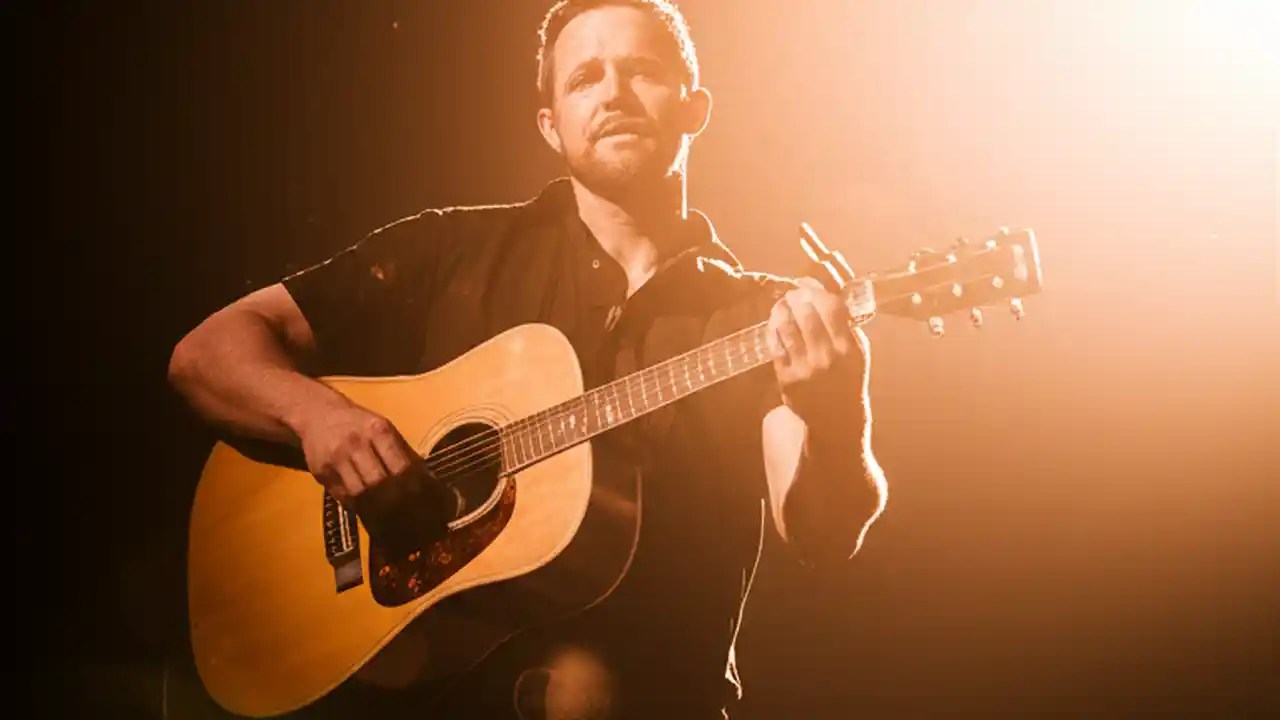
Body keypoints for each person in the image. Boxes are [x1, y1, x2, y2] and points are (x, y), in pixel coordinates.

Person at [167, 1, 887, 718]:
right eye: (584, 80)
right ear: (550, 125)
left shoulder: (764, 320)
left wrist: (838, 415)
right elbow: (207, 355)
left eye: (641, 72)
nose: (613, 94)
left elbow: (822, 536)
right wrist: (320, 417)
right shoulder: (454, 253)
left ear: (695, 107)